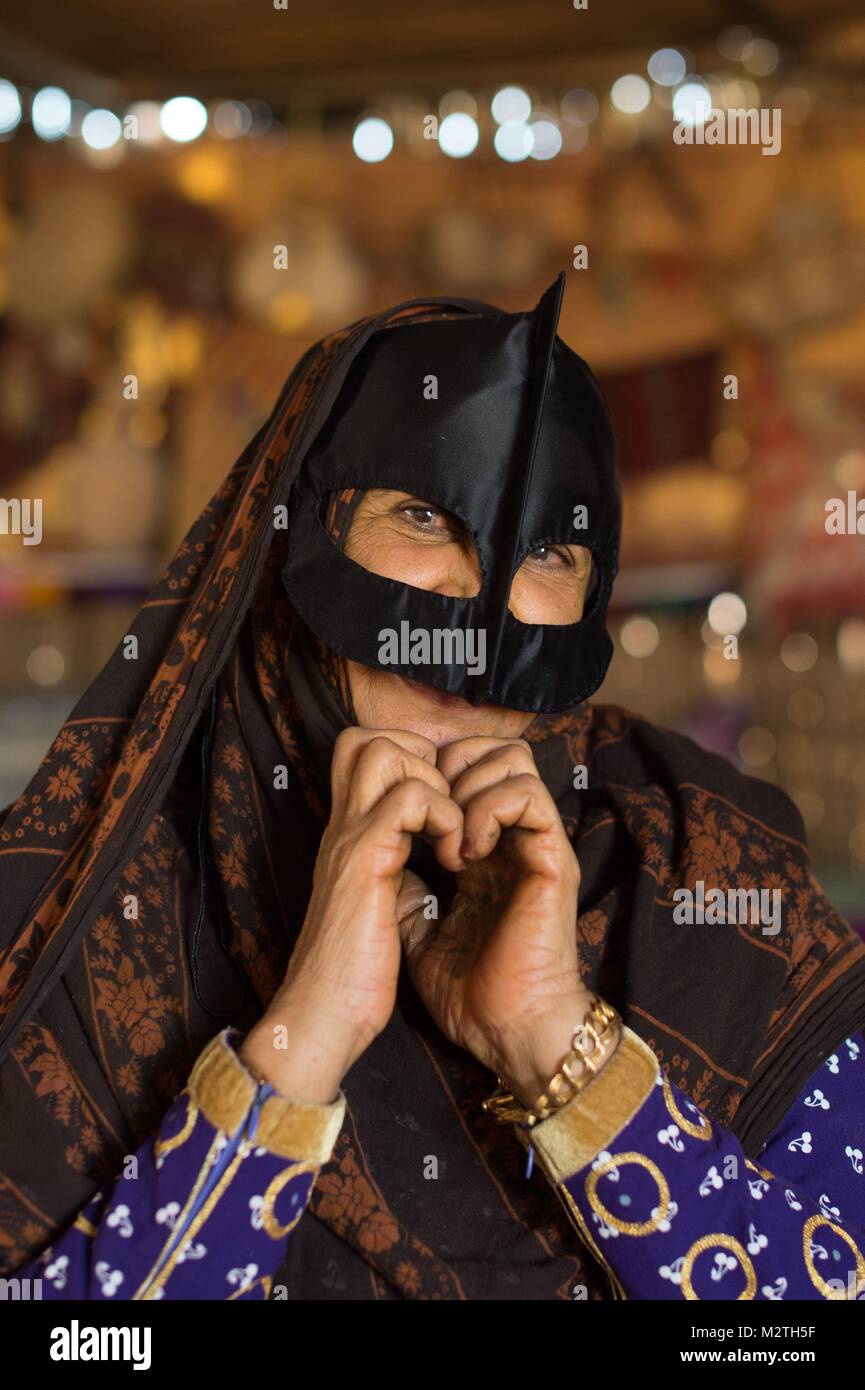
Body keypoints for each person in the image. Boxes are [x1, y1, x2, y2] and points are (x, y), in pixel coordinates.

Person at [1, 276, 863, 1301]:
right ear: (302, 537)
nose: (479, 596)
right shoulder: (90, 901)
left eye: (545, 547)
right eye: (423, 514)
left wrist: (555, 1041)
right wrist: (297, 1046)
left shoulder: (707, 874)